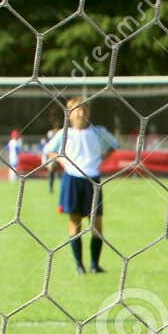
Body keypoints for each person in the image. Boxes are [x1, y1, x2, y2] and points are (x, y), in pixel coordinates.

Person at [44, 99, 119, 274]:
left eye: (84, 109)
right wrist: (63, 161)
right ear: (70, 114)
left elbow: (114, 145)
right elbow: (49, 150)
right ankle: (79, 265)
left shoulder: (98, 132)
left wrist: (101, 159)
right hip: (72, 179)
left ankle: (95, 265)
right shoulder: (65, 134)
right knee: (75, 222)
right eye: (77, 110)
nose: (81, 113)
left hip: (93, 180)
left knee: (97, 223)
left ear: (89, 113)